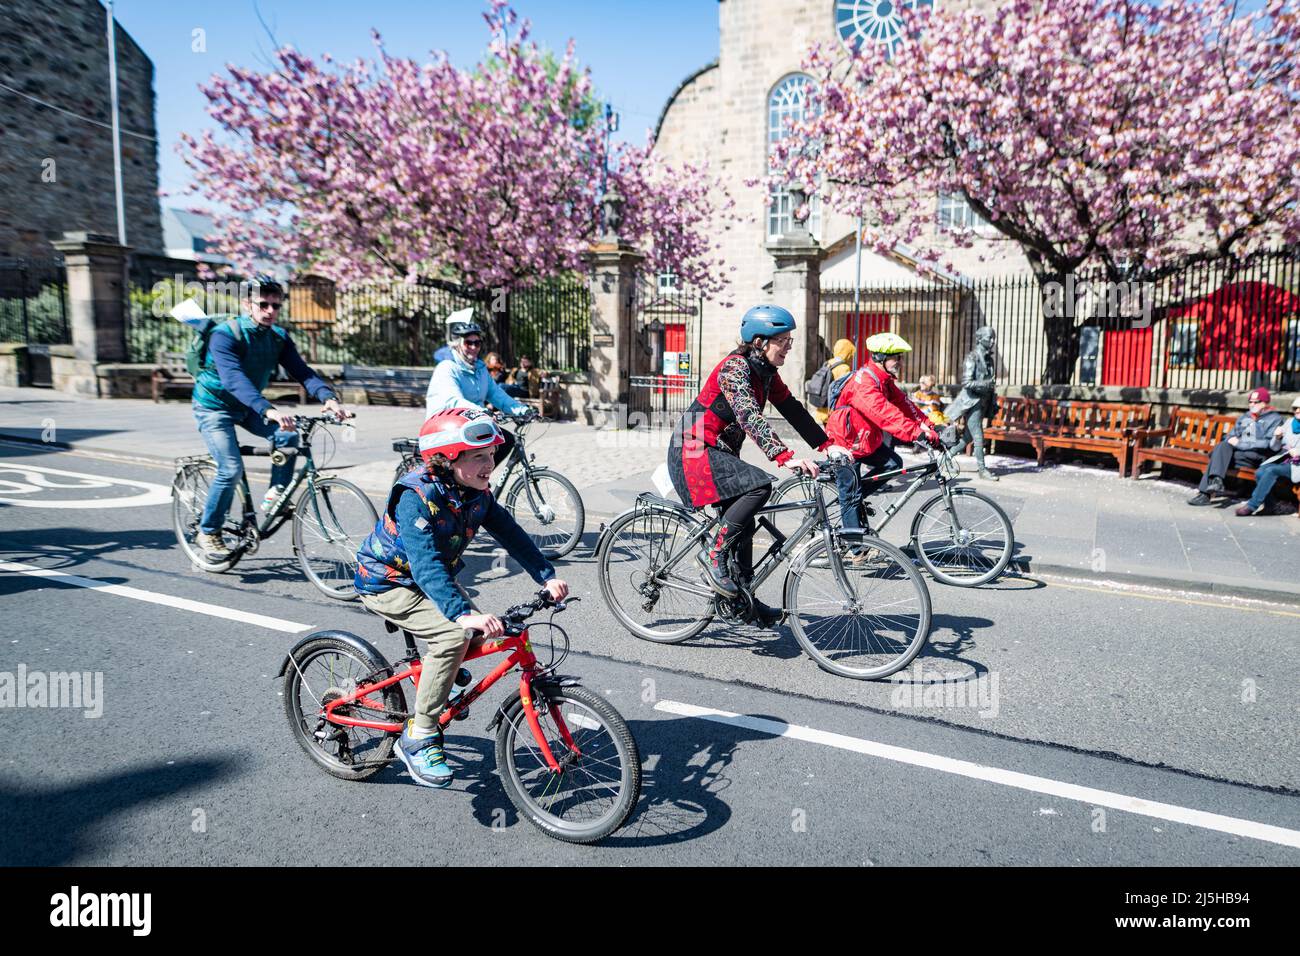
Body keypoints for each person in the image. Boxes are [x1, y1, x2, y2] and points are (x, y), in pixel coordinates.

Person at [354, 409, 569, 788]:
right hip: (388, 582)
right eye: (480, 457)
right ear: (448, 458)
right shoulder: (414, 496)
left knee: (488, 630)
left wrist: (546, 575)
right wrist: (460, 615)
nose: (491, 465)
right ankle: (418, 736)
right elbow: (425, 566)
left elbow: (512, 534)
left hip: (431, 579)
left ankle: (442, 675)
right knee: (455, 634)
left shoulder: (476, 493)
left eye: (491, 455)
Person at [666, 304, 848, 628]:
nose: (789, 347)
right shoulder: (733, 368)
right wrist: (784, 456)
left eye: (790, 341)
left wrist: (826, 444)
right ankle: (716, 555)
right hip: (691, 450)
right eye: (783, 341)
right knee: (760, 486)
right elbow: (748, 415)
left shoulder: (766, 374)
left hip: (716, 454)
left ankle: (742, 601)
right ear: (761, 341)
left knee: (745, 522)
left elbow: (791, 407)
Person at [192, 274, 348, 559]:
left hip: (249, 406)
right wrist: (269, 410)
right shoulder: (225, 335)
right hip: (214, 407)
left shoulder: (278, 337)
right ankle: (209, 530)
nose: (270, 311)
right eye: (263, 304)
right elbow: (233, 379)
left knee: (288, 435)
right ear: (246, 305)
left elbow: (302, 372)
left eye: (276, 306)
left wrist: (329, 399)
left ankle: (276, 493)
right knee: (230, 468)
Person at [826, 332, 940, 534]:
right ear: (880, 357)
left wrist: (927, 425)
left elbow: (904, 404)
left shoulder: (883, 380)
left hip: (864, 440)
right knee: (851, 494)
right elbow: (884, 414)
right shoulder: (865, 384)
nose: (900, 362)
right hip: (846, 443)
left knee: (892, 464)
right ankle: (856, 550)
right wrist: (916, 433)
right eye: (896, 357)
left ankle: (853, 497)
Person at [424, 316, 531, 464]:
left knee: (504, 440)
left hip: (469, 422)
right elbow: (454, 400)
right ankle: (470, 483)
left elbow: (497, 395)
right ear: (457, 344)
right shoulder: (447, 367)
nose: (473, 347)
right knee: (477, 451)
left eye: (477, 343)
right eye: (468, 343)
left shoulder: (480, 369)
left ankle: (478, 482)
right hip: (443, 427)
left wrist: (522, 410)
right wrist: (480, 411)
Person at [1188, 388, 1285, 506]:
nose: (1252, 404)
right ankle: (1216, 481)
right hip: (1239, 455)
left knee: (1217, 456)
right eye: (1250, 401)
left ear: (1265, 403)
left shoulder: (1275, 419)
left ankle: (1206, 494)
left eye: (1256, 401)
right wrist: (1232, 440)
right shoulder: (1245, 416)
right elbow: (1230, 436)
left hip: (1256, 457)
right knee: (1222, 446)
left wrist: (1240, 443)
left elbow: (1267, 444)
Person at [946, 326, 1000, 481]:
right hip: (972, 402)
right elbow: (967, 382)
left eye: (993, 338)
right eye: (989, 337)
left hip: (984, 401)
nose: (992, 341)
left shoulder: (989, 359)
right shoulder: (972, 357)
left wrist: (992, 399)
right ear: (979, 338)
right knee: (978, 436)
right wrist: (986, 384)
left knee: (968, 436)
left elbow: (991, 383)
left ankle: (947, 456)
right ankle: (982, 470)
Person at [1234, 394, 1300, 516]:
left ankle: (1252, 505)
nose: (1297, 411)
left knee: (1271, 470)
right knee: (1260, 471)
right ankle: (1270, 506)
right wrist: (1277, 437)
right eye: (1295, 408)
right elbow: (1274, 447)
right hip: (1285, 460)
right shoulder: (1290, 423)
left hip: (1297, 464)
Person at [813, 338, 856, 425]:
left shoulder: (829, 362)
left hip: (823, 407)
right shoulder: (844, 368)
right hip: (833, 410)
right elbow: (845, 390)